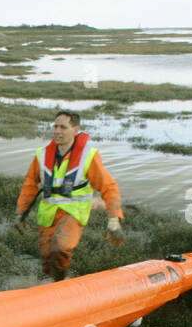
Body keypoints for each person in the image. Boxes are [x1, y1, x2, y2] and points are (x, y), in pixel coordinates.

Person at [16, 110, 124, 281]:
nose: (57, 131)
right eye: (55, 126)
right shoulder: (42, 155)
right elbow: (30, 185)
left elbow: (109, 188)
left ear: (75, 130)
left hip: (74, 212)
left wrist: (114, 220)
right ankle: (51, 286)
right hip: (48, 215)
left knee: (61, 247)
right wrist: (20, 214)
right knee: (47, 259)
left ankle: (60, 285)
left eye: (63, 127)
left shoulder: (88, 156)